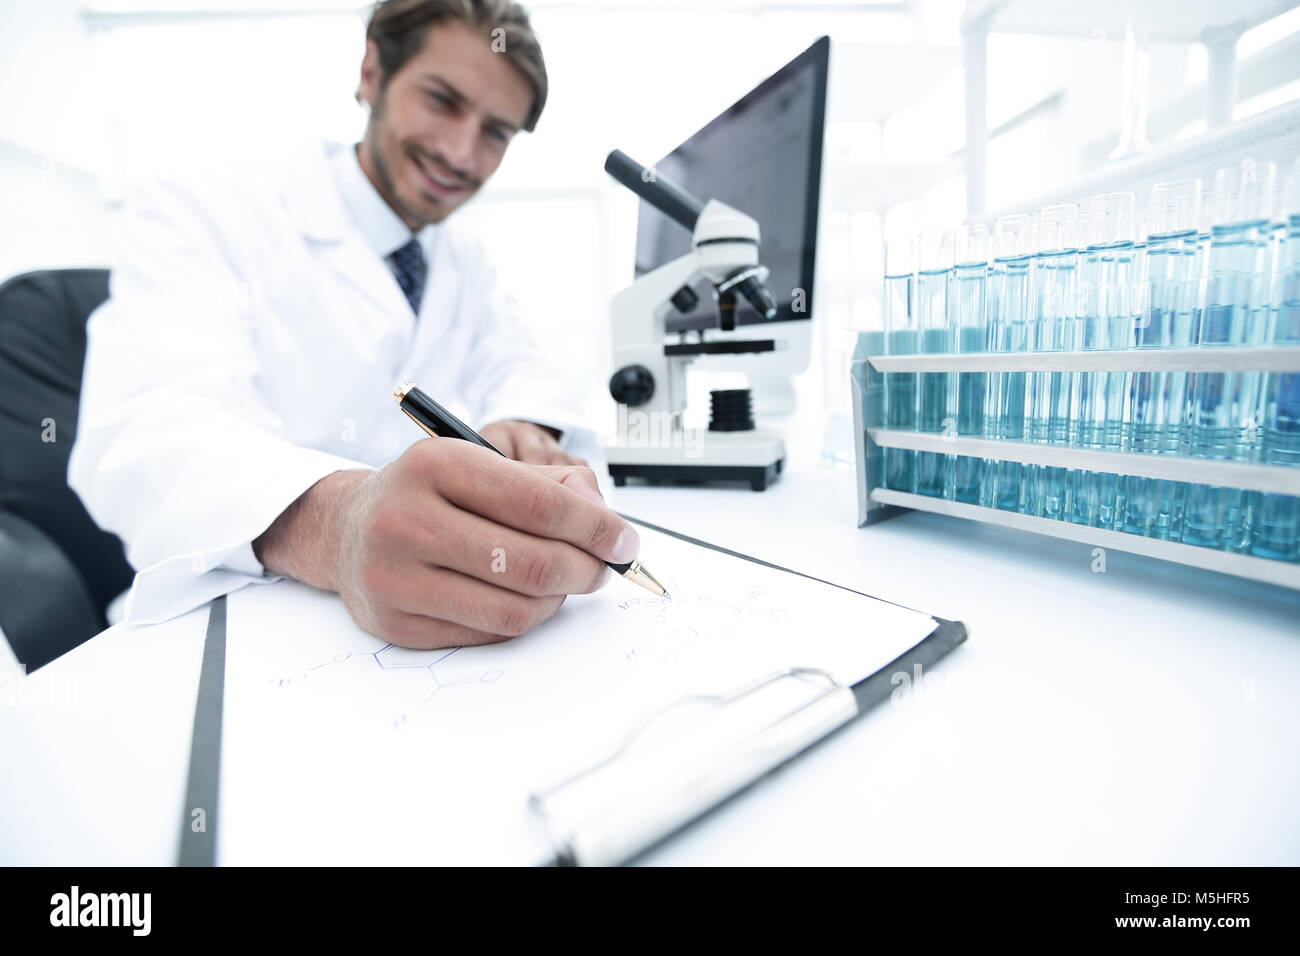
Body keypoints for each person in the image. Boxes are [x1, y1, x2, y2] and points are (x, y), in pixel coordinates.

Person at [68, 0, 639, 649]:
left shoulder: (463, 257)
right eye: (442, 101)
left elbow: (521, 364)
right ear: (372, 71)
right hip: (224, 627)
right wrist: (337, 528)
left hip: (404, 635)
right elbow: (150, 431)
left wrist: (524, 430)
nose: (460, 153)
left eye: (495, 133)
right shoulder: (202, 209)